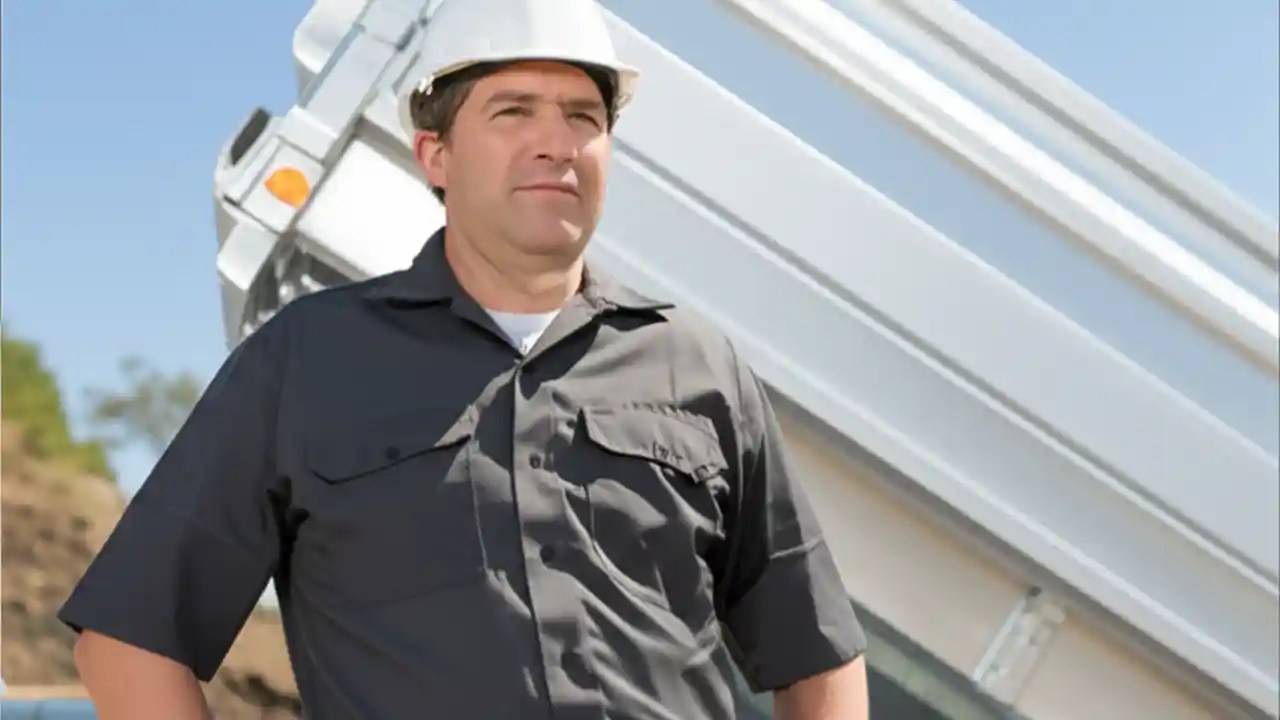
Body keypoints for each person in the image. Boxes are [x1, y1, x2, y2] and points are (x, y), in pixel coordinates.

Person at [58, 0, 870, 717]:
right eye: (513, 111)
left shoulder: (697, 367)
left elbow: (819, 653)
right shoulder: (306, 362)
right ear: (435, 155)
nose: (557, 142)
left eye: (583, 116)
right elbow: (130, 638)